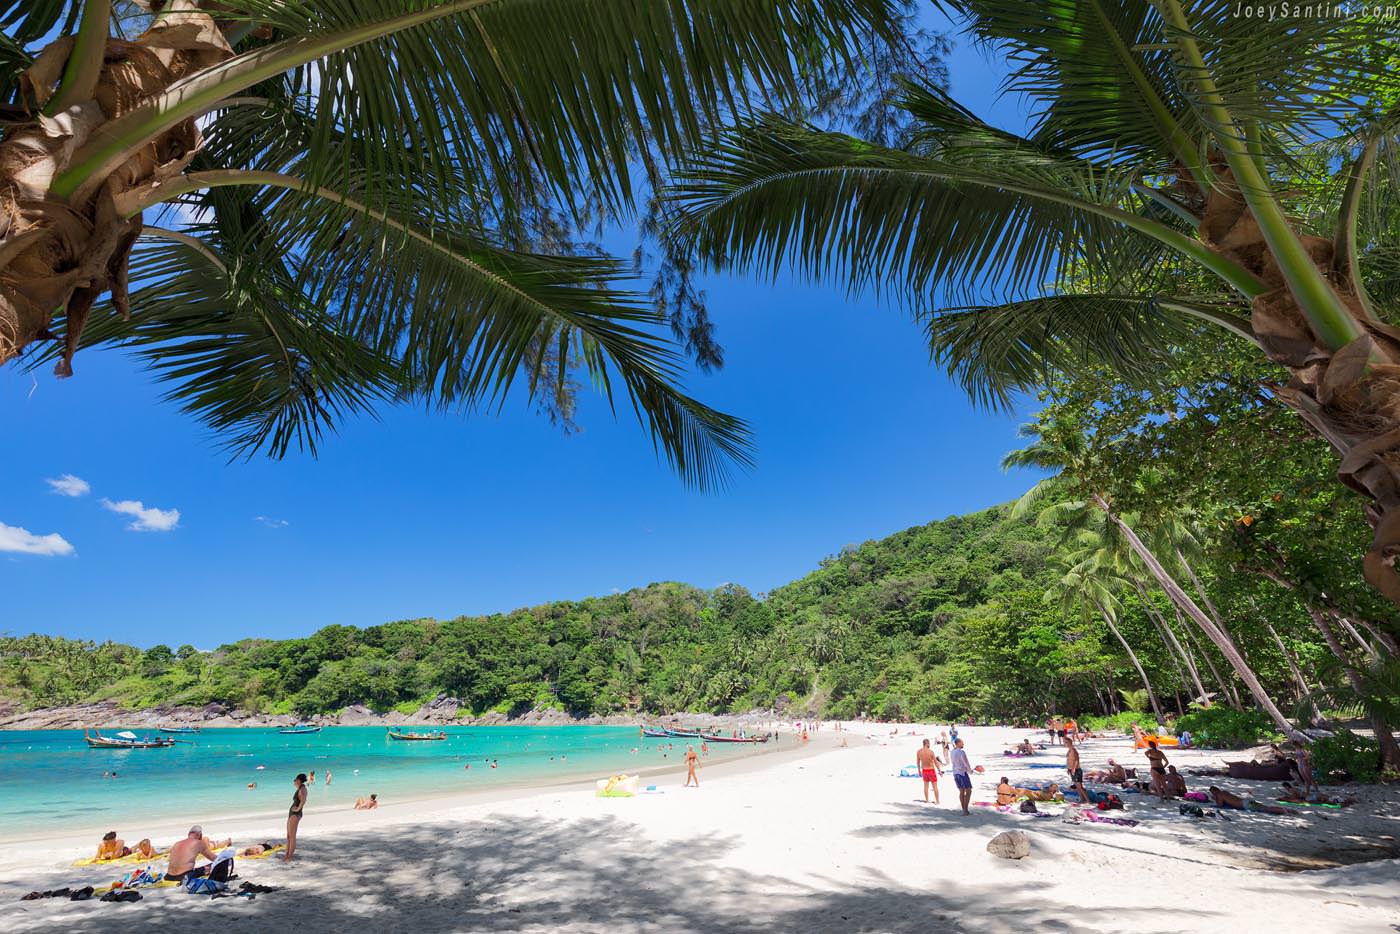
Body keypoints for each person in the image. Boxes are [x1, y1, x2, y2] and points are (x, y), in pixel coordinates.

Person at [166, 826, 232, 882]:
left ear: (189, 834)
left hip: (168, 877)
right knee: (214, 865)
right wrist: (227, 861)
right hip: (183, 877)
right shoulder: (199, 843)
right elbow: (214, 859)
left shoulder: (177, 843)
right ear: (200, 834)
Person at [1208, 785, 1289, 815]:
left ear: (1214, 792)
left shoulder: (1219, 795)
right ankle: (1285, 810)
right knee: (1266, 807)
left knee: (1266, 809)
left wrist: (1215, 799)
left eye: (1212, 793)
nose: (1213, 794)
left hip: (1245, 805)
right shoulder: (1224, 792)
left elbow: (1220, 805)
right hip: (1246, 801)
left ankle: (1284, 811)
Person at [285, 773, 308, 863]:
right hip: (293, 813)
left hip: (296, 814)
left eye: (295, 780)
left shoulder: (302, 789)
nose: (294, 782)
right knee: (288, 835)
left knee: (292, 836)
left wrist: (298, 809)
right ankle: (287, 854)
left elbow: (303, 801)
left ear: (299, 780)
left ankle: (289, 857)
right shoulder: (300, 788)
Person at [950, 738, 974, 815]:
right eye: (962, 743)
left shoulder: (952, 752)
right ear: (958, 743)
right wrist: (970, 771)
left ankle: (964, 809)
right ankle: (965, 809)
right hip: (962, 773)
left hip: (955, 773)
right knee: (969, 790)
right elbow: (966, 763)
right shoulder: (961, 752)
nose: (963, 744)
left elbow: (953, 763)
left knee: (961, 791)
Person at [916, 739, 940, 805]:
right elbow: (935, 762)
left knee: (926, 786)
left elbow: (918, 762)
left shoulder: (919, 752)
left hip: (924, 770)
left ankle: (927, 800)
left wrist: (919, 771)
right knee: (935, 786)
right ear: (927, 744)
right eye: (929, 744)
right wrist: (939, 771)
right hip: (931, 770)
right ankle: (937, 801)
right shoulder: (931, 752)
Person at [1065, 736, 1089, 804]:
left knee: (1080, 787)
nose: (1065, 744)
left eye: (1066, 742)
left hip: (1076, 770)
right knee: (1077, 787)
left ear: (1070, 742)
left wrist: (1074, 769)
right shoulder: (1069, 750)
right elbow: (1069, 760)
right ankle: (1082, 799)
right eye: (1065, 742)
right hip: (1071, 769)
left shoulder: (1073, 750)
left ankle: (1087, 800)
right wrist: (1068, 769)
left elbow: (1076, 760)